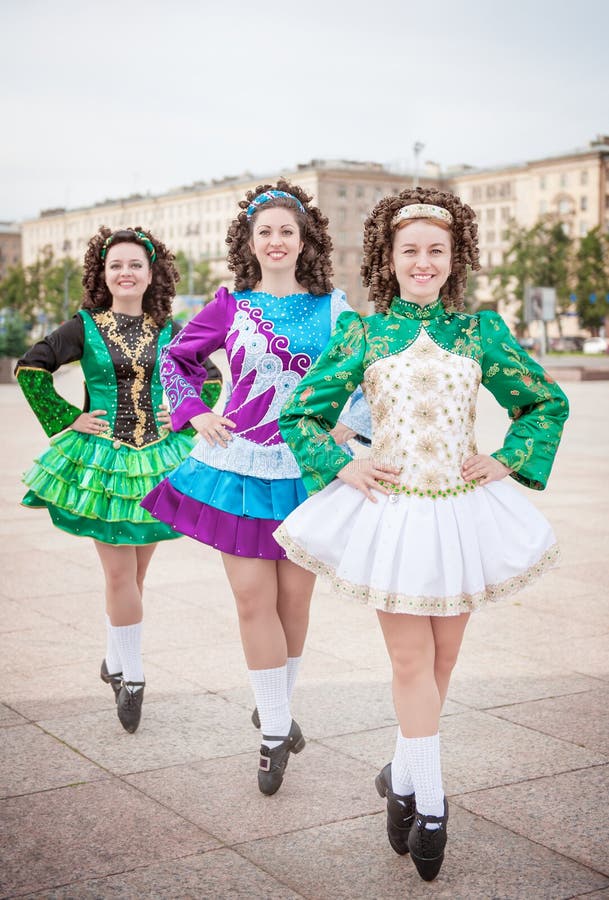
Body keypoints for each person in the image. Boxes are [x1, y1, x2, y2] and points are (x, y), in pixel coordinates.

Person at [274, 188, 569, 881]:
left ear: (453, 256)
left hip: (460, 513)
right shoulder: (365, 335)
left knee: (441, 664)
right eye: (410, 251)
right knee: (410, 664)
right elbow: (301, 415)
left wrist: (507, 458)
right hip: (394, 515)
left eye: (436, 250)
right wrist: (342, 465)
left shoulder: (481, 333)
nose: (423, 262)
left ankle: (402, 777)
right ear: (389, 258)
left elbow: (542, 401)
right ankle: (432, 805)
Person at [142, 181, 369, 794]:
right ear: (249, 241)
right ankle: (273, 732)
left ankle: (277, 707)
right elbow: (174, 359)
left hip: (308, 473)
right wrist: (195, 412)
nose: (275, 240)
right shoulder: (230, 305)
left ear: (305, 241)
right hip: (237, 466)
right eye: (264, 231)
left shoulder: (336, 310)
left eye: (286, 231)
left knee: (294, 603)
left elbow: (368, 377)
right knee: (251, 598)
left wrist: (350, 427)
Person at [16, 227, 222, 734]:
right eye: (115, 266)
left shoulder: (169, 329)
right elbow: (30, 368)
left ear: (151, 274)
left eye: (135, 265)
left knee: (136, 577)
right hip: (104, 462)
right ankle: (132, 676)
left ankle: (113, 658)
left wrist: (186, 413)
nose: (125, 273)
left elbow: (210, 377)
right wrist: (66, 420)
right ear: (102, 275)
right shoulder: (83, 327)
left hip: (158, 459)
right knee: (118, 576)